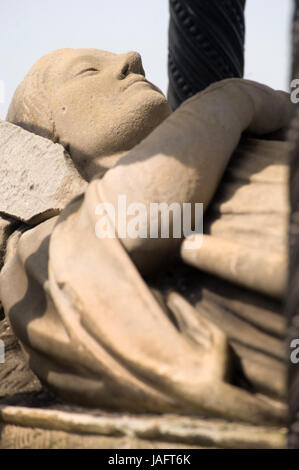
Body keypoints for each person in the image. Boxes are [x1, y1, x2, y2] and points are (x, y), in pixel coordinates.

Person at [0, 48, 292, 424]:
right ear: (51, 138)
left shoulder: (246, 144)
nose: (132, 58)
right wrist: (232, 98)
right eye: (88, 71)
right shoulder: (47, 243)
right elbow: (138, 224)